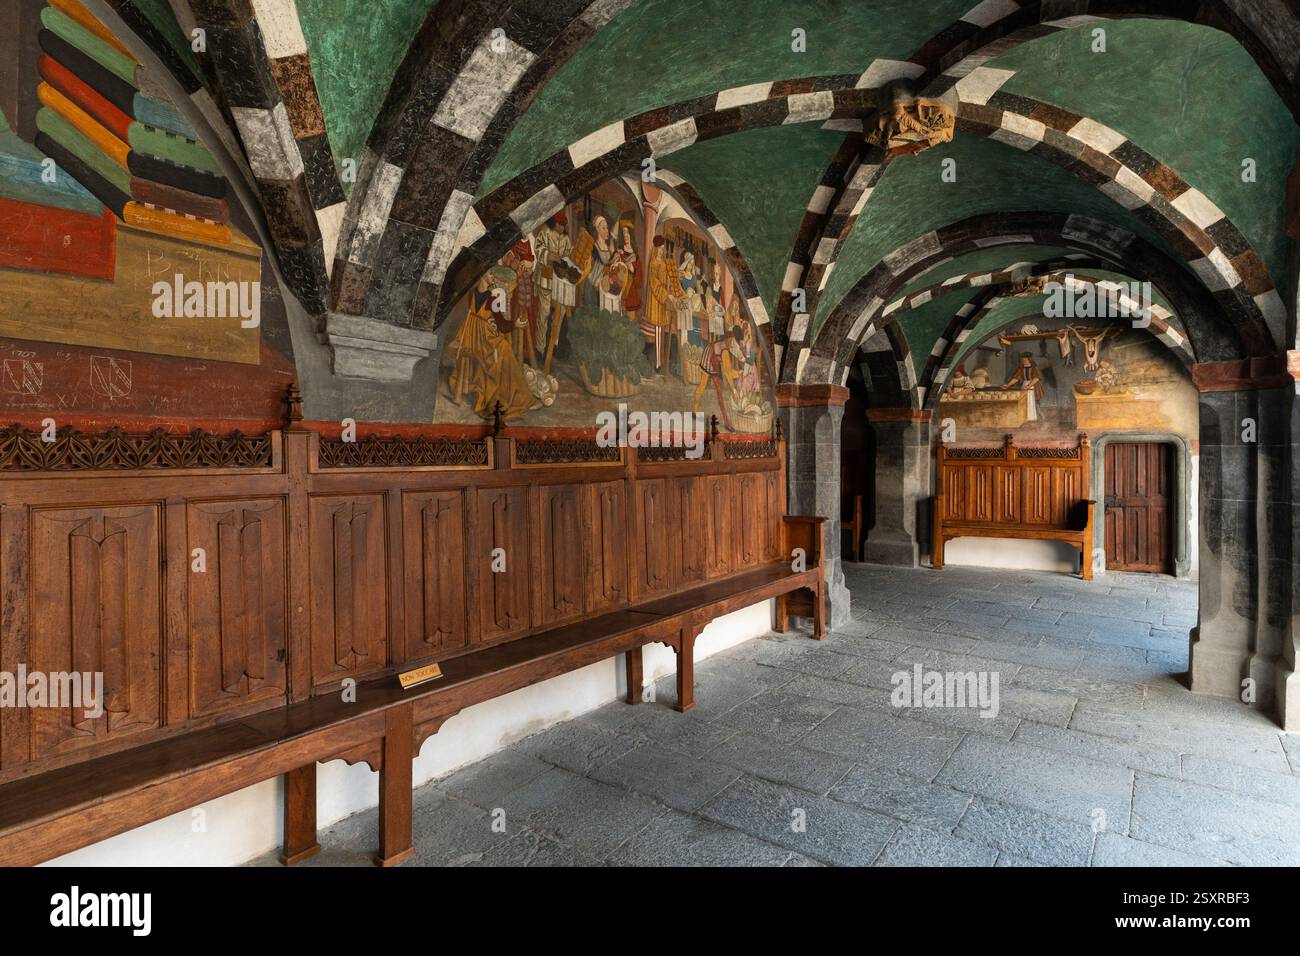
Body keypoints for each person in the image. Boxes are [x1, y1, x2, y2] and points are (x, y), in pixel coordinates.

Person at [448, 272, 536, 420]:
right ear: (482, 276)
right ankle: (517, 397)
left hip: (469, 336)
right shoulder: (492, 297)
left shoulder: (472, 293)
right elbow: (503, 325)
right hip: (483, 340)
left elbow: (486, 318)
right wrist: (515, 324)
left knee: (501, 347)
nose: (493, 277)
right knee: (505, 348)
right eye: (490, 274)